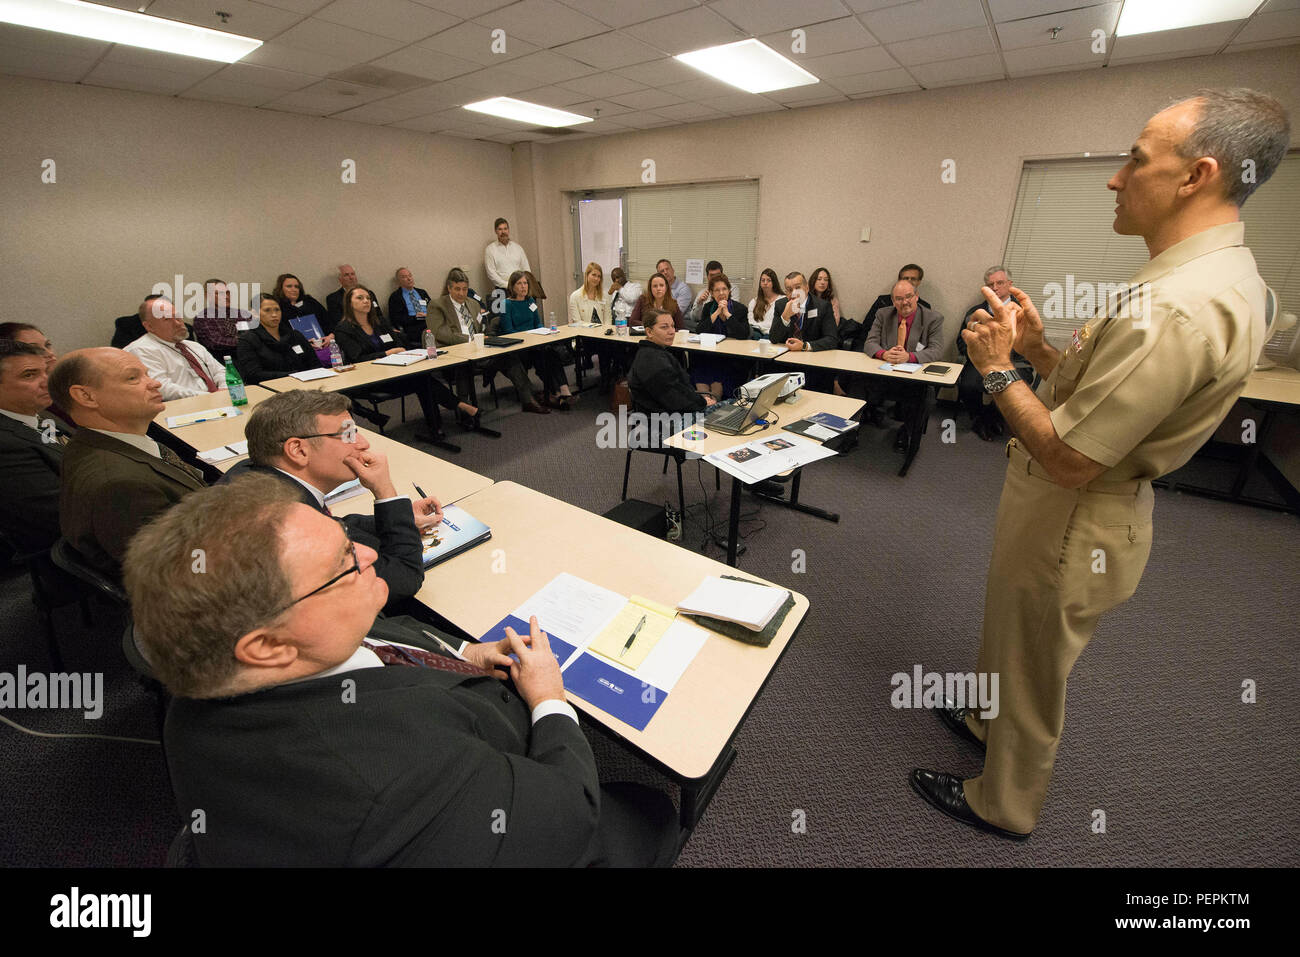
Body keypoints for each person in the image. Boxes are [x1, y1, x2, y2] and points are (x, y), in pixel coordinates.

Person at [913, 88, 1289, 841]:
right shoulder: (1220, 277)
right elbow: (1100, 391)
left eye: (1137, 160)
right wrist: (1037, 351)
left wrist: (994, 369)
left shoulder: (1177, 306)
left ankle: (1003, 802)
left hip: (1071, 508)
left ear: (1196, 175)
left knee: (1030, 664)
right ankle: (987, 723)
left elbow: (1070, 455)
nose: (1116, 178)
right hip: (1066, 505)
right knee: (1009, 635)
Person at [124, 475, 678, 866]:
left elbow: (376, 643)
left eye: (348, 541)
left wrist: (460, 657)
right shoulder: (395, 785)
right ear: (267, 646)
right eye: (344, 562)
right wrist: (548, 700)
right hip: (542, 814)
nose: (369, 557)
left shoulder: (232, 669)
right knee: (653, 808)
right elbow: (567, 816)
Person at [219, 389, 432, 605]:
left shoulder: (250, 472)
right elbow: (404, 577)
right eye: (347, 434)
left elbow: (334, 524)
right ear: (299, 450)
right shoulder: (295, 531)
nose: (363, 443)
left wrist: (399, 517)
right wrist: (385, 491)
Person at [49, 348, 206, 580]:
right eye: (133, 378)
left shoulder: (104, 441)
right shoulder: (119, 485)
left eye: (147, 374)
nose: (154, 384)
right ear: (86, 397)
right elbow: (187, 571)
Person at [333, 286, 483, 435]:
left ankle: (438, 426)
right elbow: (357, 358)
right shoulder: (343, 329)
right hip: (371, 380)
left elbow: (399, 342)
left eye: (368, 298)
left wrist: (402, 351)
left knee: (423, 378)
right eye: (360, 298)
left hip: (395, 371)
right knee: (422, 381)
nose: (366, 301)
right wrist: (387, 352)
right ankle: (456, 411)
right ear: (349, 303)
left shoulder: (379, 322)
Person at [0, 340, 68, 556]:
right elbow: (61, 514)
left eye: (45, 372)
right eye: (29, 375)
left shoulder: (39, 414)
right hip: (70, 552)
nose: (45, 381)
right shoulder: (6, 447)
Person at [863, 279, 947, 451]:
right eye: (899, 299)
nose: (905, 302)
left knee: (922, 398)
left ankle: (906, 432)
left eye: (909, 296)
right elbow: (870, 343)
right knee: (857, 383)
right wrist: (884, 354)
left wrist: (909, 356)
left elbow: (936, 350)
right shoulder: (883, 314)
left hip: (913, 378)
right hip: (885, 373)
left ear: (917, 297)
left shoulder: (933, 318)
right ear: (893, 301)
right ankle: (854, 432)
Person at [956, 266, 1034, 440]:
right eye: (990, 284)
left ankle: (993, 417)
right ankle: (978, 419)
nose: (995, 288)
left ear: (1010, 284)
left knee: (1015, 385)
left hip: (1015, 362)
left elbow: (1031, 343)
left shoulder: (1024, 312)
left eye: (1000, 283)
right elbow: (961, 341)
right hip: (981, 362)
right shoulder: (975, 313)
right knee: (967, 385)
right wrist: (979, 354)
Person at [124, 297, 226, 400]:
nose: (178, 323)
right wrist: (208, 397)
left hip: (216, 401)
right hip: (180, 409)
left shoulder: (193, 346)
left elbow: (220, 371)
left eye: (177, 316)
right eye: (167, 319)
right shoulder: (141, 350)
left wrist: (224, 389)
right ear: (149, 326)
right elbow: (161, 388)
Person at [498, 270, 572, 411]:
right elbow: (508, 331)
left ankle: (563, 391)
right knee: (542, 357)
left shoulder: (530, 301)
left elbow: (537, 323)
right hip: (517, 347)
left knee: (550, 355)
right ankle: (555, 393)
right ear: (512, 287)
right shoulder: (505, 304)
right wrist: (529, 337)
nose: (523, 287)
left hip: (534, 344)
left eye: (525, 283)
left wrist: (542, 331)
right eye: (519, 283)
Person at [628, 308, 716, 416]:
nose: (671, 331)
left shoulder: (652, 352)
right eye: (664, 327)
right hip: (670, 420)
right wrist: (702, 402)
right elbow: (675, 400)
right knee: (731, 412)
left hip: (673, 411)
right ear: (649, 332)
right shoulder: (653, 361)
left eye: (673, 326)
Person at [234, 294, 321, 384]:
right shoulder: (247, 340)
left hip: (307, 384)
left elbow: (315, 363)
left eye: (277, 310)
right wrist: (293, 375)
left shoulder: (295, 335)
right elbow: (253, 375)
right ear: (255, 314)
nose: (274, 314)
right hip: (271, 388)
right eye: (267, 310)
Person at [692, 274, 750, 401]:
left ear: (729, 291)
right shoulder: (708, 307)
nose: (721, 293)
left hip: (730, 357)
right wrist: (717, 313)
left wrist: (727, 314)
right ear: (712, 293)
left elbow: (743, 334)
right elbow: (700, 330)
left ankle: (713, 402)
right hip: (710, 354)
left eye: (724, 289)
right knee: (700, 366)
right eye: (717, 290)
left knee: (718, 371)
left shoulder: (740, 309)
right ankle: (705, 402)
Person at [770, 271, 837, 353]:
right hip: (786, 355)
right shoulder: (780, 305)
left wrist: (805, 346)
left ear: (807, 288)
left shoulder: (822, 306)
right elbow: (773, 339)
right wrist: (785, 317)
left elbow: (832, 339)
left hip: (811, 356)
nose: (794, 293)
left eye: (798, 288)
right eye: (789, 290)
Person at [192, 279, 251, 363]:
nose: (226, 296)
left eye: (227, 293)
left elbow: (255, 335)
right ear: (207, 296)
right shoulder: (202, 318)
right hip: (224, 362)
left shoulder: (241, 314)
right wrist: (247, 341)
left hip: (250, 358)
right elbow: (216, 342)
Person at [273, 273, 332, 345]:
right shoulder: (277, 308)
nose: (294, 289)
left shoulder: (310, 301)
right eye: (289, 286)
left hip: (324, 343)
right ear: (281, 289)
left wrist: (331, 336)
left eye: (296, 287)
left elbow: (328, 321)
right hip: (296, 347)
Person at [485, 217, 530, 294]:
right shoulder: (490, 249)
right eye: (500, 229)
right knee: (504, 306)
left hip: (520, 288)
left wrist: (524, 284)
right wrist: (508, 285)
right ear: (496, 231)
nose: (503, 232)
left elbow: (526, 269)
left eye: (505, 229)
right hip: (502, 290)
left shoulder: (518, 248)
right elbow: (491, 273)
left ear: (508, 230)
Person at [387, 267, 433, 343]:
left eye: (410, 276)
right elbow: (396, 319)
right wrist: (415, 317)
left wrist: (427, 315)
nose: (409, 279)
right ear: (398, 281)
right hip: (413, 326)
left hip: (429, 321)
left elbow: (433, 308)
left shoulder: (422, 292)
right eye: (404, 277)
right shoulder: (395, 297)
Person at [568, 262, 610, 326]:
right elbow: (577, 322)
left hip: (603, 334)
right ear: (587, 275)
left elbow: (608, 320)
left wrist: (606, 332)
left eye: (599, 276)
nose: (596, 279)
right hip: (584, 333)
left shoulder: (604, 296)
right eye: (593, 275)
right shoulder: (575, 296)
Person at [685, 260, 723, 328]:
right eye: (712, 275)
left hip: (722, 325)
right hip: (704, 327)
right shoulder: (702, 293)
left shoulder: (731, 289)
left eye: (717, 275)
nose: (715, 278)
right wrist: (700, 303)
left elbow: (733, 312)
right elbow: (694, 318)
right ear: (707, 277)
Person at [746, 268, 781, 338]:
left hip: (772, 334)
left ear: (774, 283)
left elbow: (779, 324)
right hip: (756, 333)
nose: (765, 283)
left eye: (769, 280)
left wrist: (761, 327)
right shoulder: (754, 302)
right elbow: (750, 322)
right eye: (763, 280)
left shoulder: (782, 300)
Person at [325, 264, 359, 333]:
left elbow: (378, 316)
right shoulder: (333, 299)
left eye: (352, 274)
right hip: (351, 332)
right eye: (346, 275)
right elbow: (339, 323)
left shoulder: (369, 294)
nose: (351, 277)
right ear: (340, 280)